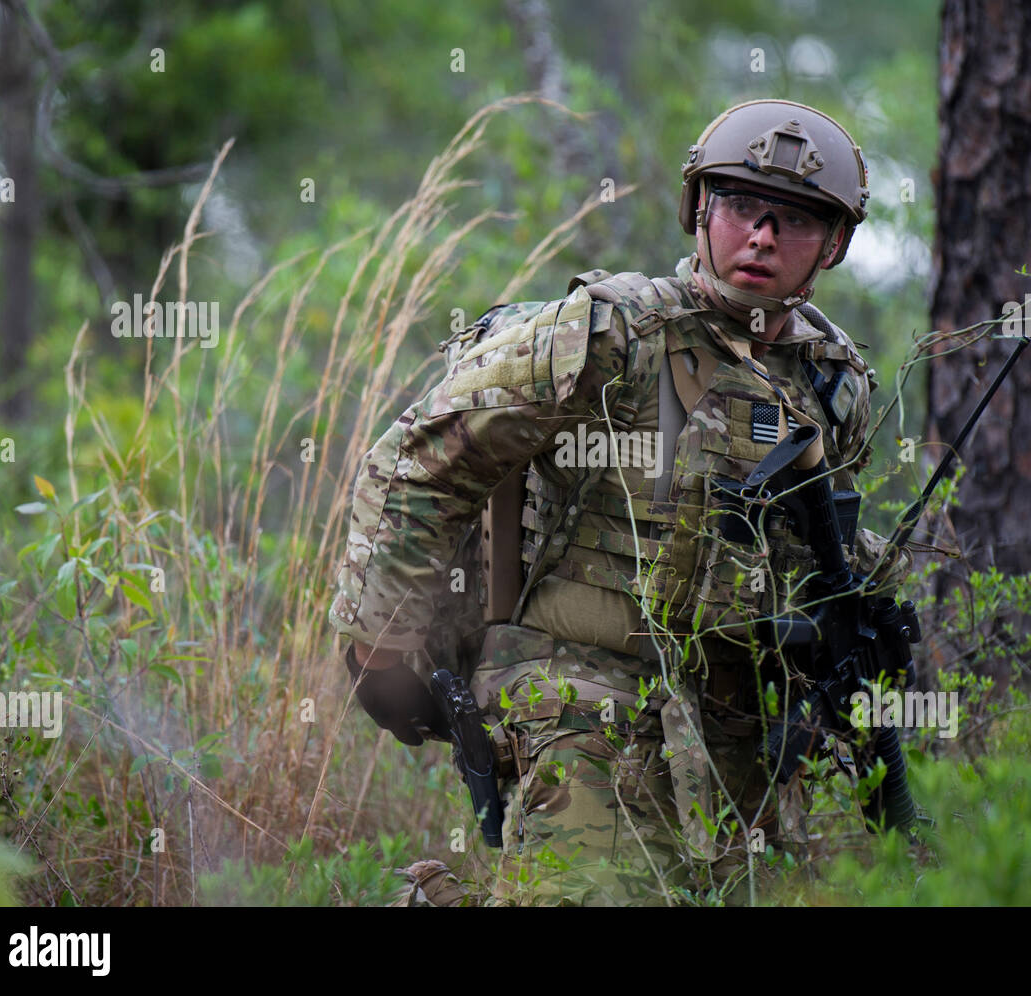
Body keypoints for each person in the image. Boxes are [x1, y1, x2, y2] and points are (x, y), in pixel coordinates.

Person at [329, 98, 909, 905]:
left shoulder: (834, 383)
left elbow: (818, 543)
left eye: (798, 219)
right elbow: (420, 463)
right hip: (575, 677)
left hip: (737, 706)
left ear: (837, 243)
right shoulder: (613, 334)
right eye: (742, 205)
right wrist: (380, 648)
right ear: (700, 209)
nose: (764, 235)